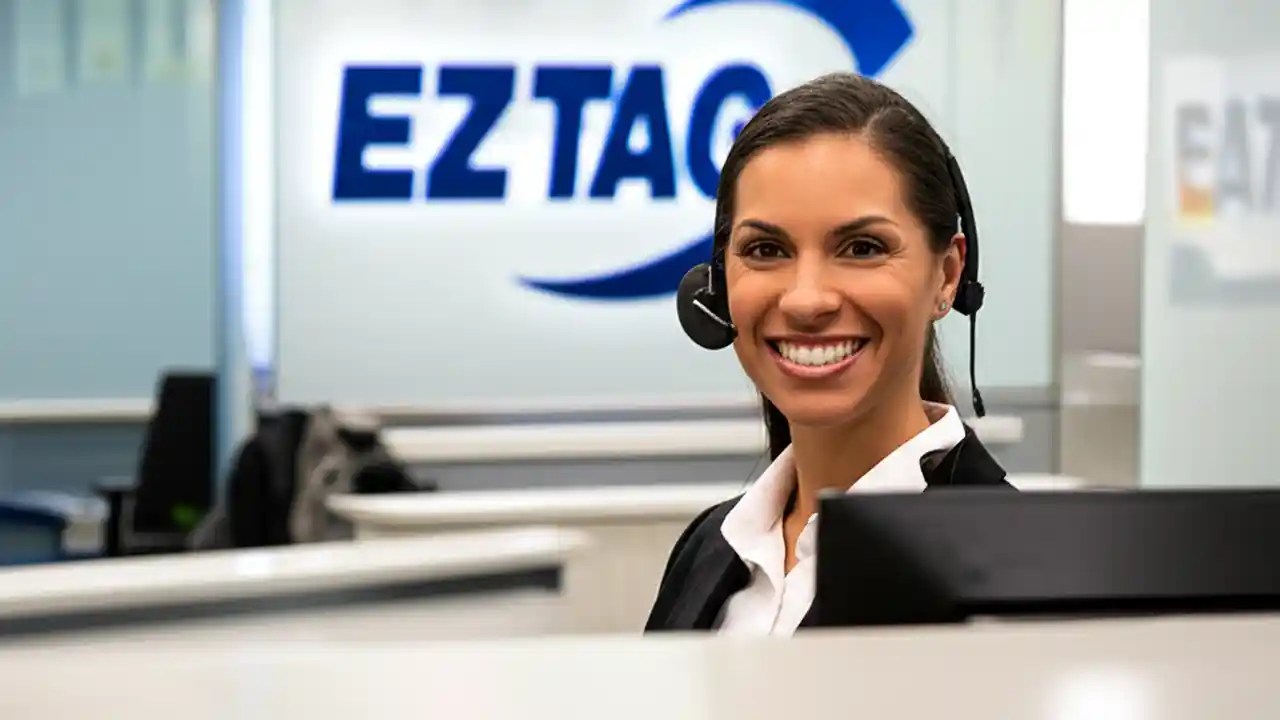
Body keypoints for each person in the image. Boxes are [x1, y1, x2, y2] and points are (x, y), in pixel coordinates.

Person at [645, 72, 1014, 635]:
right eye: (766, 250)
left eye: (862, 248)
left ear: (947, 274)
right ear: (717, 285)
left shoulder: (1012, 568)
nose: (806, 299)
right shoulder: (709, 547)